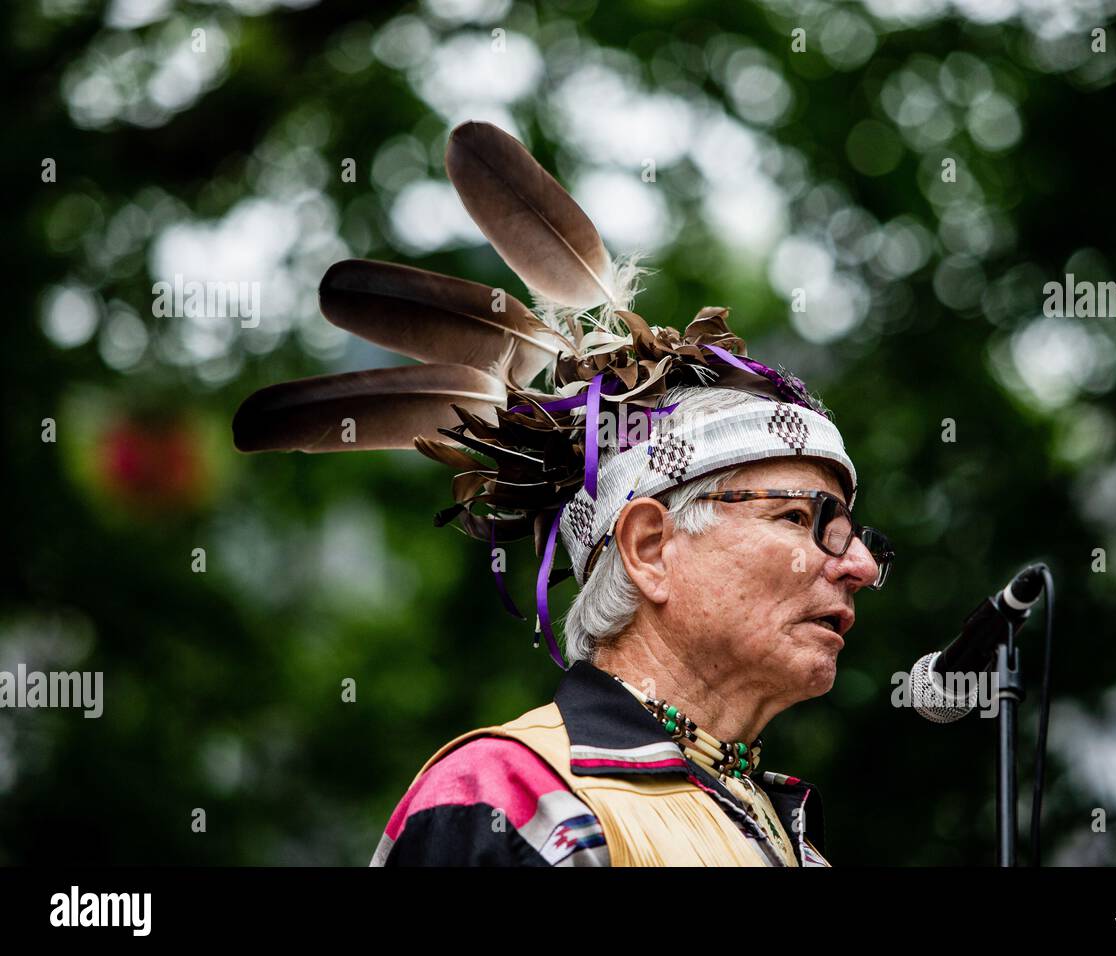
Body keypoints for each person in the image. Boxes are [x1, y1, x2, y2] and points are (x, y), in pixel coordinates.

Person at [232, 120, 893, 867]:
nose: (859, 567)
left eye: (855, 536)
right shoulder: (505, 796)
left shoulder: (780, 829)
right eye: (802, 518)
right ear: (650, 548)